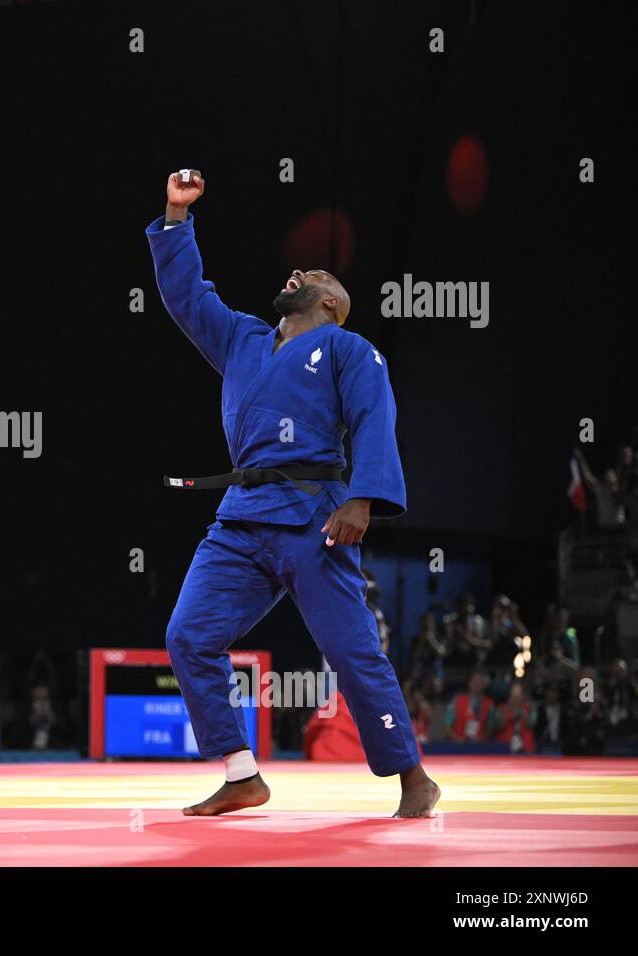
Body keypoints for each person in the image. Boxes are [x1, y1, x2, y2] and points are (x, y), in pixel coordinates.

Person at [146, 169, 438, 817]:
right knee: (189, 635)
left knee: (348, 647)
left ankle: (411, 774)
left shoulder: (346, 347)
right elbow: (185, 295)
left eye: (316, 276)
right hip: (241, 518)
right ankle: (241, 772)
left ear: (332, 303)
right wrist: (175, 218)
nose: (298, 275)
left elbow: (372, 418)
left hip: (315, 515)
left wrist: (365, 497)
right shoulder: (244, 340)